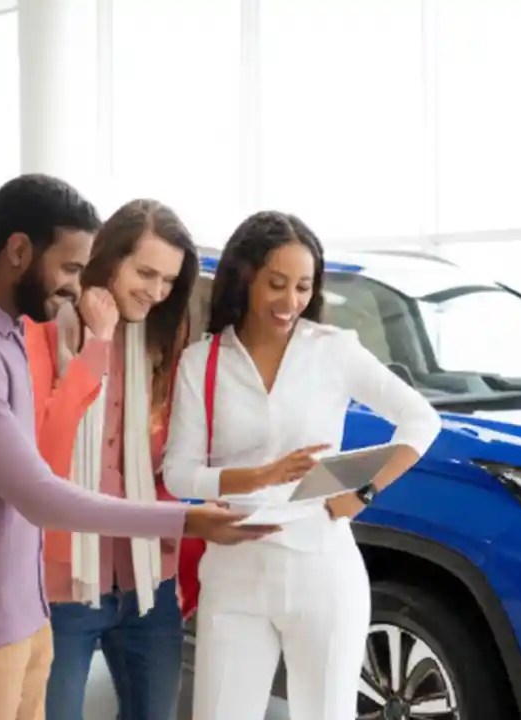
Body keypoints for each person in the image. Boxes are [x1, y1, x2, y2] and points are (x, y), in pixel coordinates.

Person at [0, 174, 276, 720]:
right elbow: (41, 478)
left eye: (168, 279)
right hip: (2, 605)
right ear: (21, 251)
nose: (157, 290)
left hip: (42, 602)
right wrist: (187, 522)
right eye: (71, 267)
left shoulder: (7, 330)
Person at [162, 210, 442, 720]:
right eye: (276, 284)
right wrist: (257, 478)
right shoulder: (201, 362)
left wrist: (363, 494)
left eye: (302, 287)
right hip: (234, 573)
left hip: (323, 567)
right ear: (244, 277)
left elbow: (420, 420)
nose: (291, 301)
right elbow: (178, 473)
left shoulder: (333, 352)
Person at [25, 199, 199, 720]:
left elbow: (173, 458)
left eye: (169, 280)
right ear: (106, 260)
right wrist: (98, 343)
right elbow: (47, 452)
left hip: (148, 581)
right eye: (145, 272)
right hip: (64, 582)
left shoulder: (165, 338)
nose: (158, 291)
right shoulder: (45, 334)